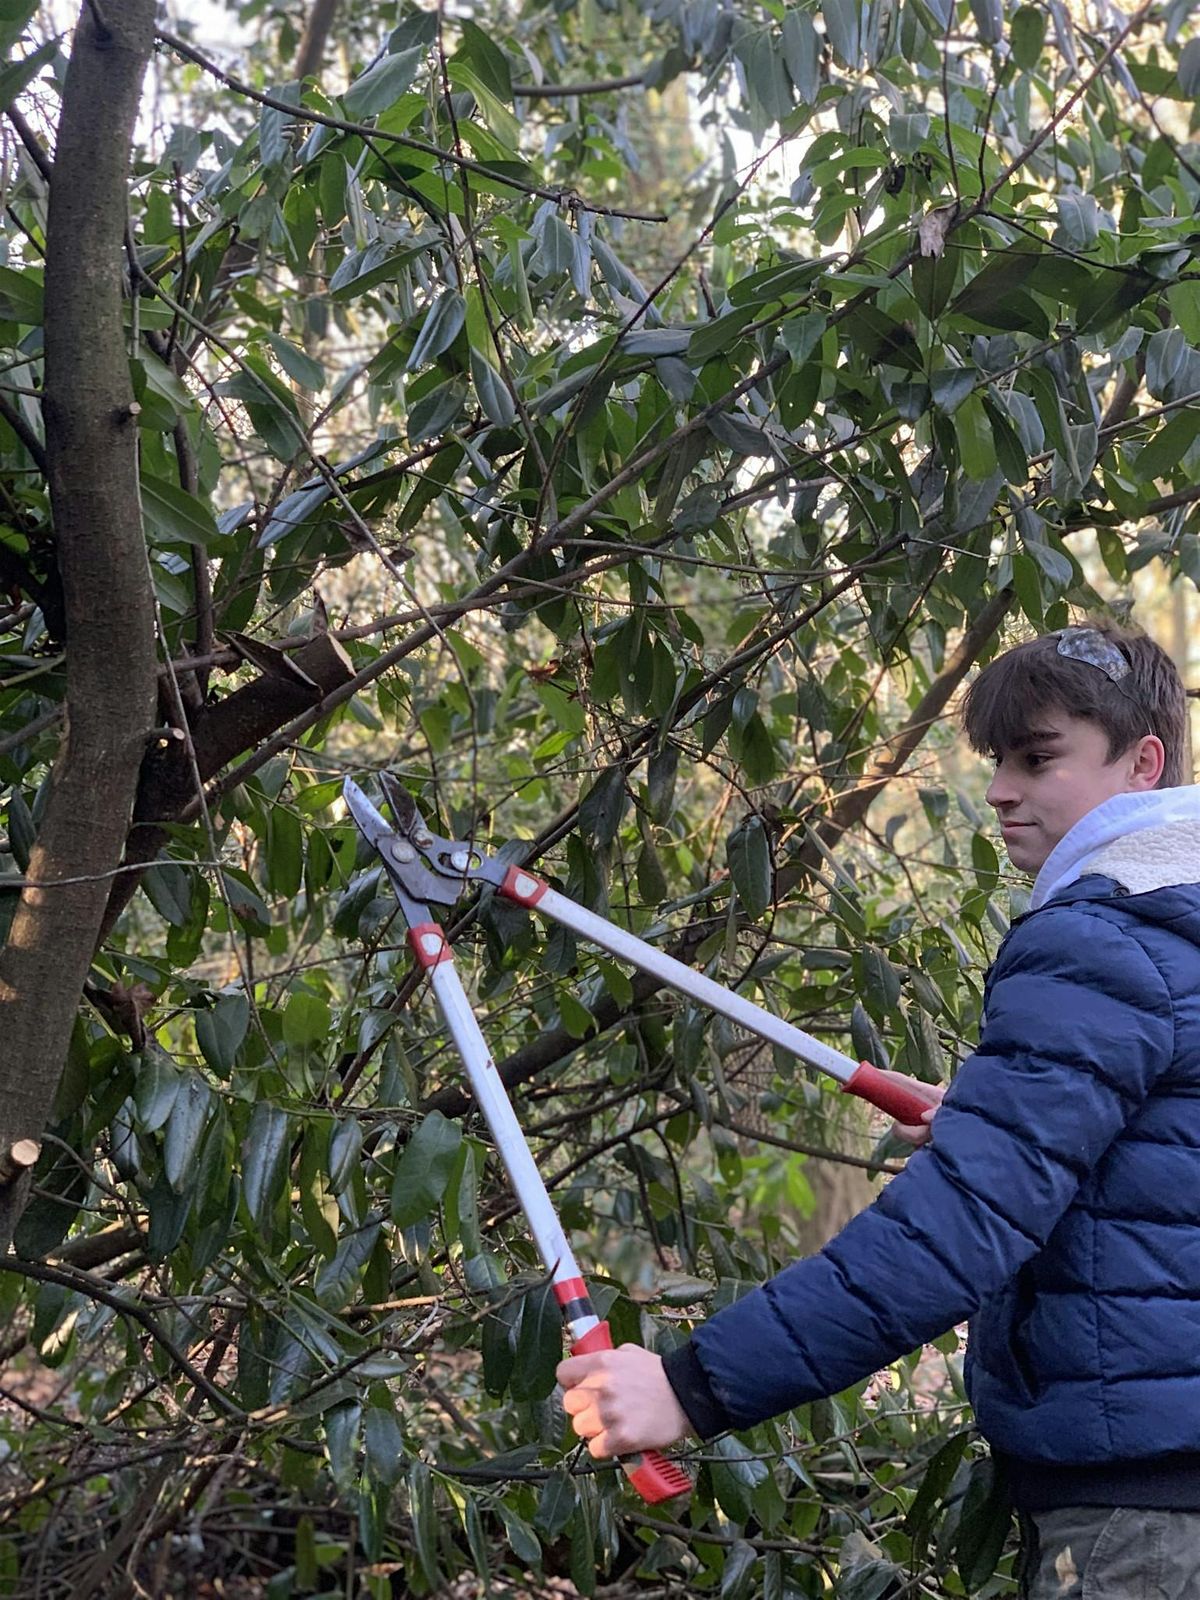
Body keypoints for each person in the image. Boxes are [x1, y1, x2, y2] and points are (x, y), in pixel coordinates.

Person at [557, 622, 1200, 1598]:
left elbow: (956, 1232)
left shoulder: (1104, 937)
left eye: (1039, 759)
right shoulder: (1175, 928)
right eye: (996, 761)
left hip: (1143, 1518)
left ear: (1141, 762)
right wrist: (991, 1118)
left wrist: (689, 1386)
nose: (999, 791)